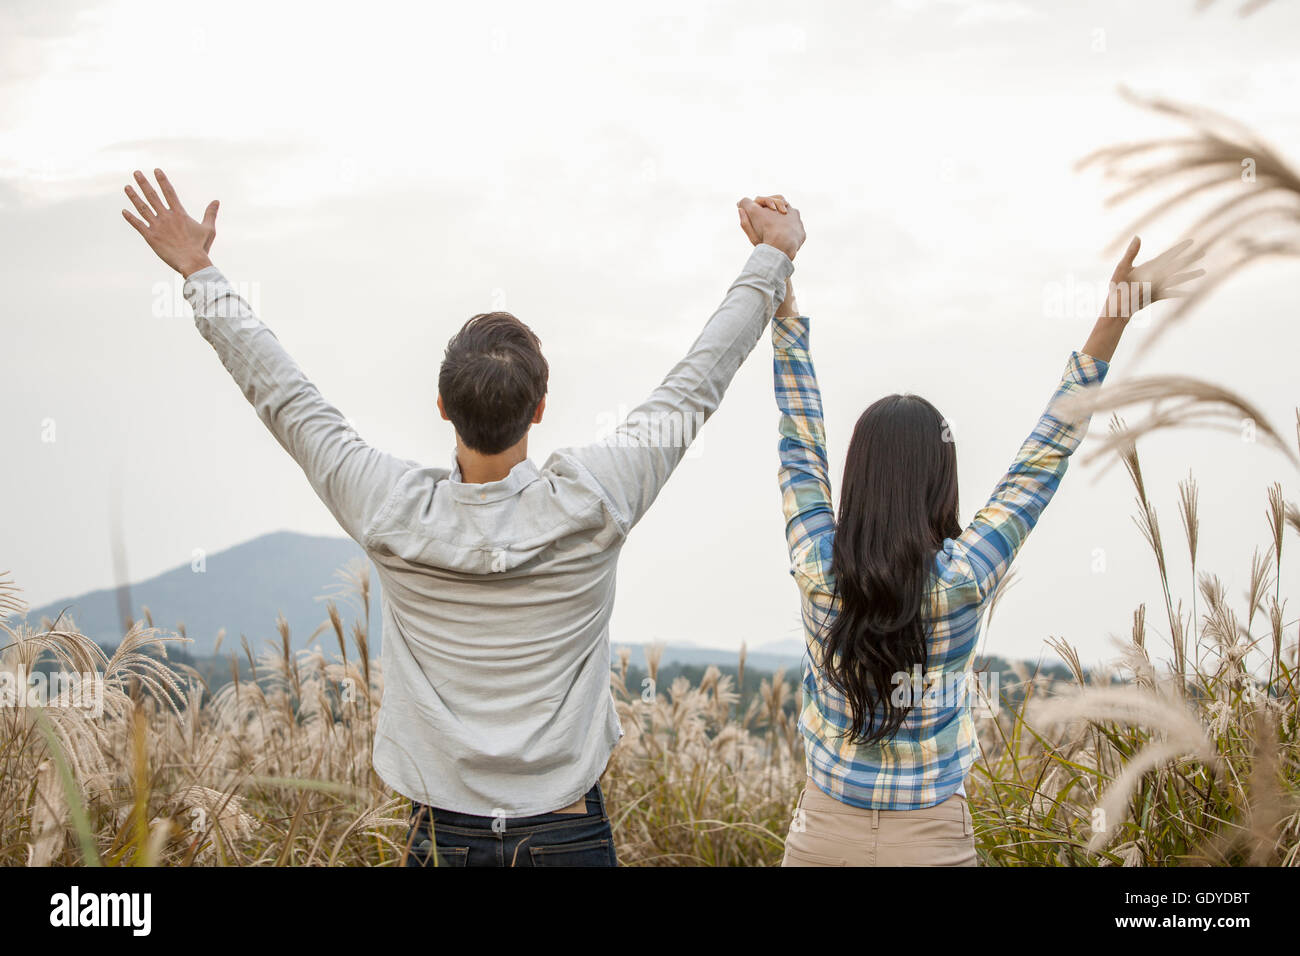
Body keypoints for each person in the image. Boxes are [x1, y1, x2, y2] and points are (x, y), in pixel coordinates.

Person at [120, 169, 805, 866]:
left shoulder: (387, 507)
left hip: (439, 840)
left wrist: (198, 268)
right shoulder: (598, 498)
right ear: (539, 409)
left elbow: (285, 397)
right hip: (566, 834)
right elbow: (697, 382)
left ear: (442, 407)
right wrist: (770, 256)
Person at [740, 196, 1204, 866]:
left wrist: (780, 285)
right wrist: (1114, 317)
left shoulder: (818, 564)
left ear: (858, 475)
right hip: (933, 842)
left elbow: (799, 431)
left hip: (822, 837)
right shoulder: (962, 579)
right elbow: (1043, 458)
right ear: (941, 479)